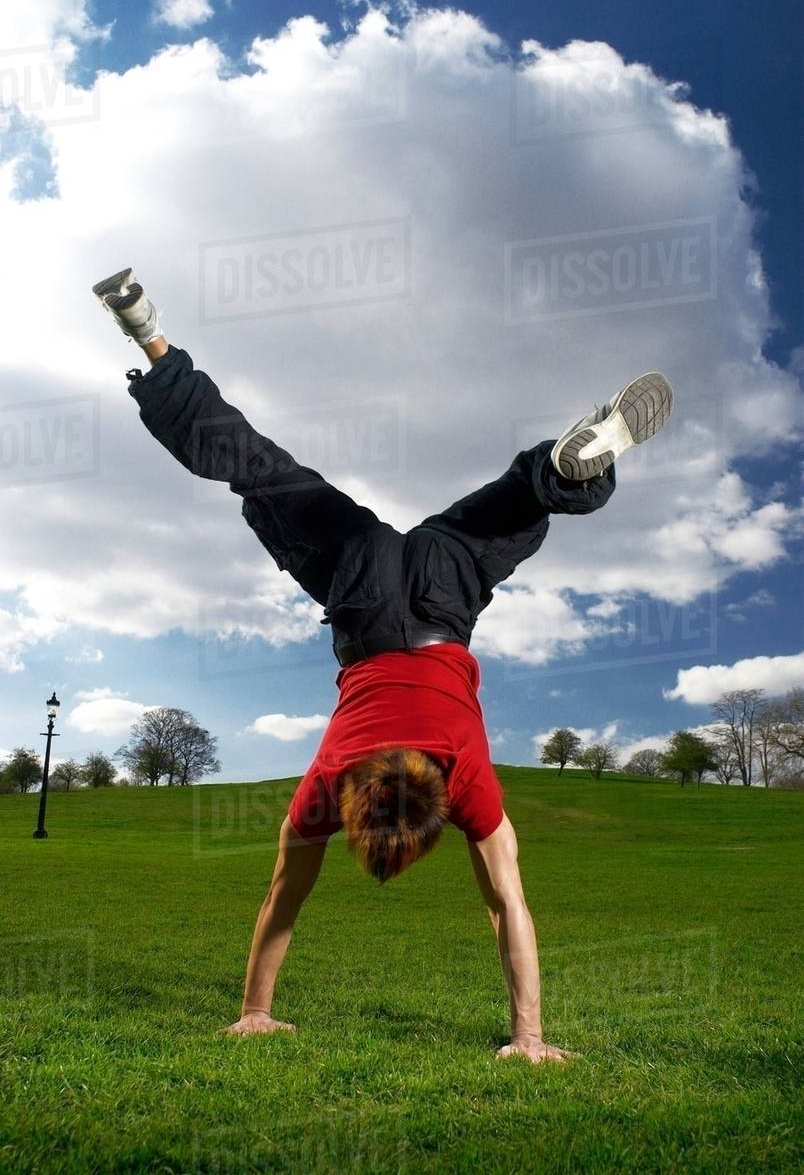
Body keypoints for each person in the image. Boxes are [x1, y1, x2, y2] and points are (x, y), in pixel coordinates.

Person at [93, 267, 673, 1064]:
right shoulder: (331, 777)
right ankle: (147, 333)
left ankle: (556, 475)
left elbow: (506, 902)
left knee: (512, 506)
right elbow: (286, 901)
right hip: (362, 583)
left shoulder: (464, 776)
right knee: (262, 473)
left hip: (442, 587)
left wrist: (530, 1036)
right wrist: (525, 1039)